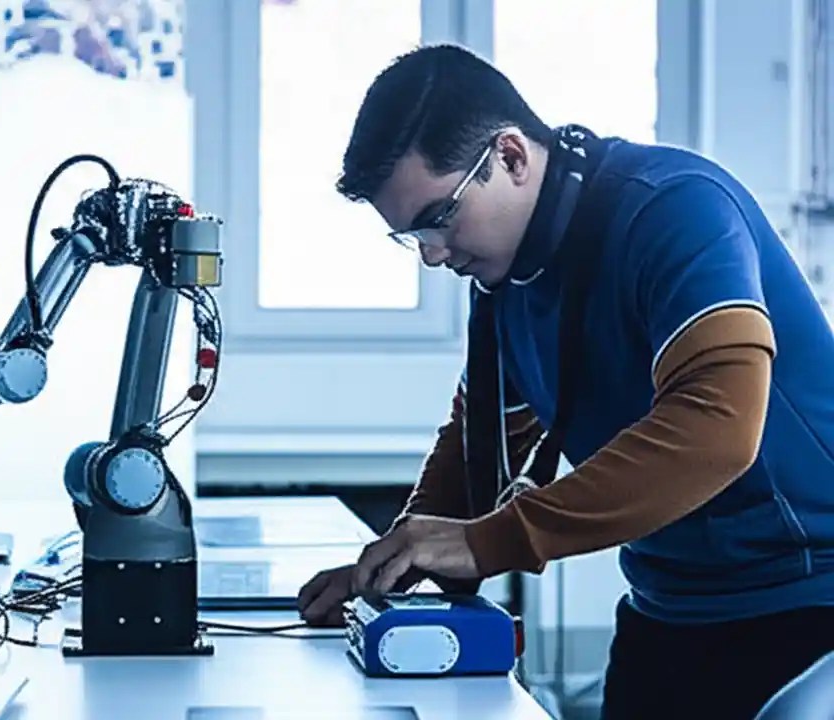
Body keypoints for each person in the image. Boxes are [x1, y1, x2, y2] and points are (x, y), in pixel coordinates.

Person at [296, 43, 834, 719]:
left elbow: (718, 429)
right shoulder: (507, 276)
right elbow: (482, 438)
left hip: (809, 608)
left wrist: (482, 542)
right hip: (668, 605)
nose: (431, 254)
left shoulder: (676, 208)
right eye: (410, 236)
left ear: (511, 157)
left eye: (437, 218)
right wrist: (391, 570)